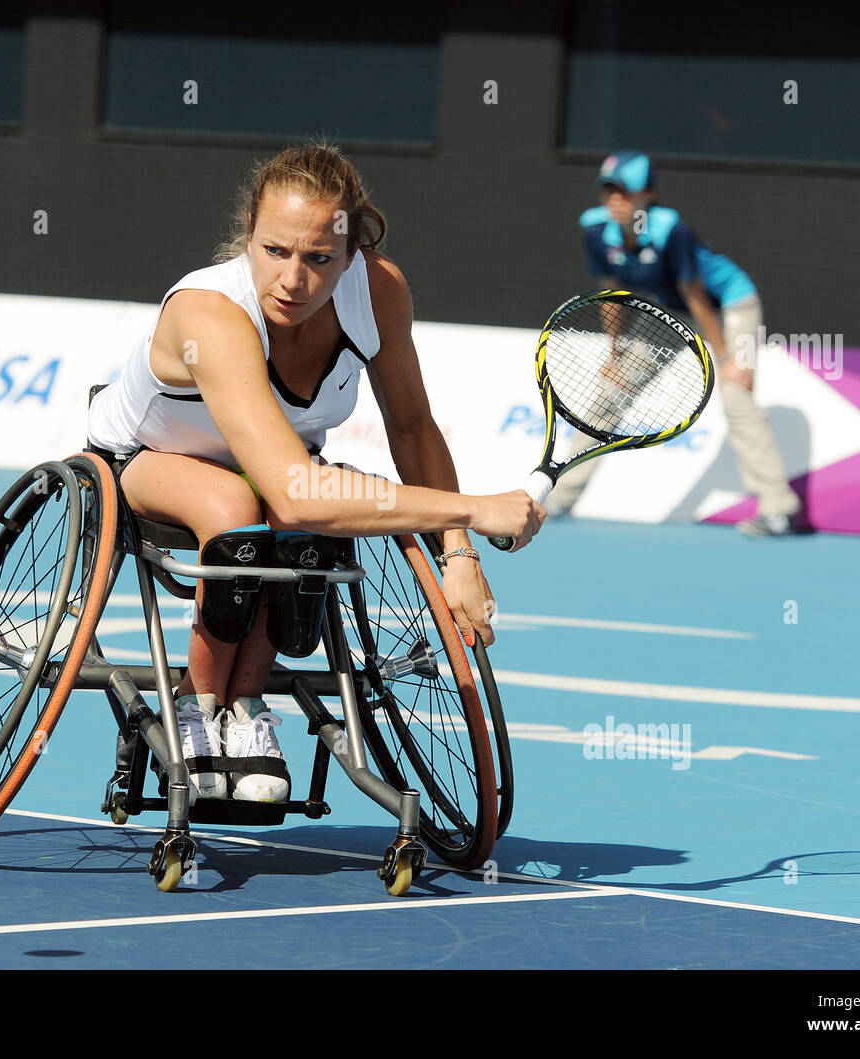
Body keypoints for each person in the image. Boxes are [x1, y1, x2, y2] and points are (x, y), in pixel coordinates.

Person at [88, 143, 545, 803]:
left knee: (300, 522)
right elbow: (297, 494)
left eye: (318, 259)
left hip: (279, 471)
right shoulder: (209, 313)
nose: (292, 280)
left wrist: (458, 551)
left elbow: (412, 427)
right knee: (241, 502)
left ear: (353, 255)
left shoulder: (379, 290)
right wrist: (470, 507)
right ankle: (197, 705)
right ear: (249, 237)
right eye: (274, 251)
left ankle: (245, 716)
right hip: (144, 459)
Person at [544, 150, 801, 536]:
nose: (615, 200)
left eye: (624, 192)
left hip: (729, 304)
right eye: (608, 191)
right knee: (610, 392)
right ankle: (560, 497)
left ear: (647, 193)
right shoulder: (595, 229)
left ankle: (779, 509)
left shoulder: (669, 229)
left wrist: (728, 357)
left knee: (736, 394)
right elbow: (612, 294)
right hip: (669, 312)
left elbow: (695, 293)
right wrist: (615, 353)